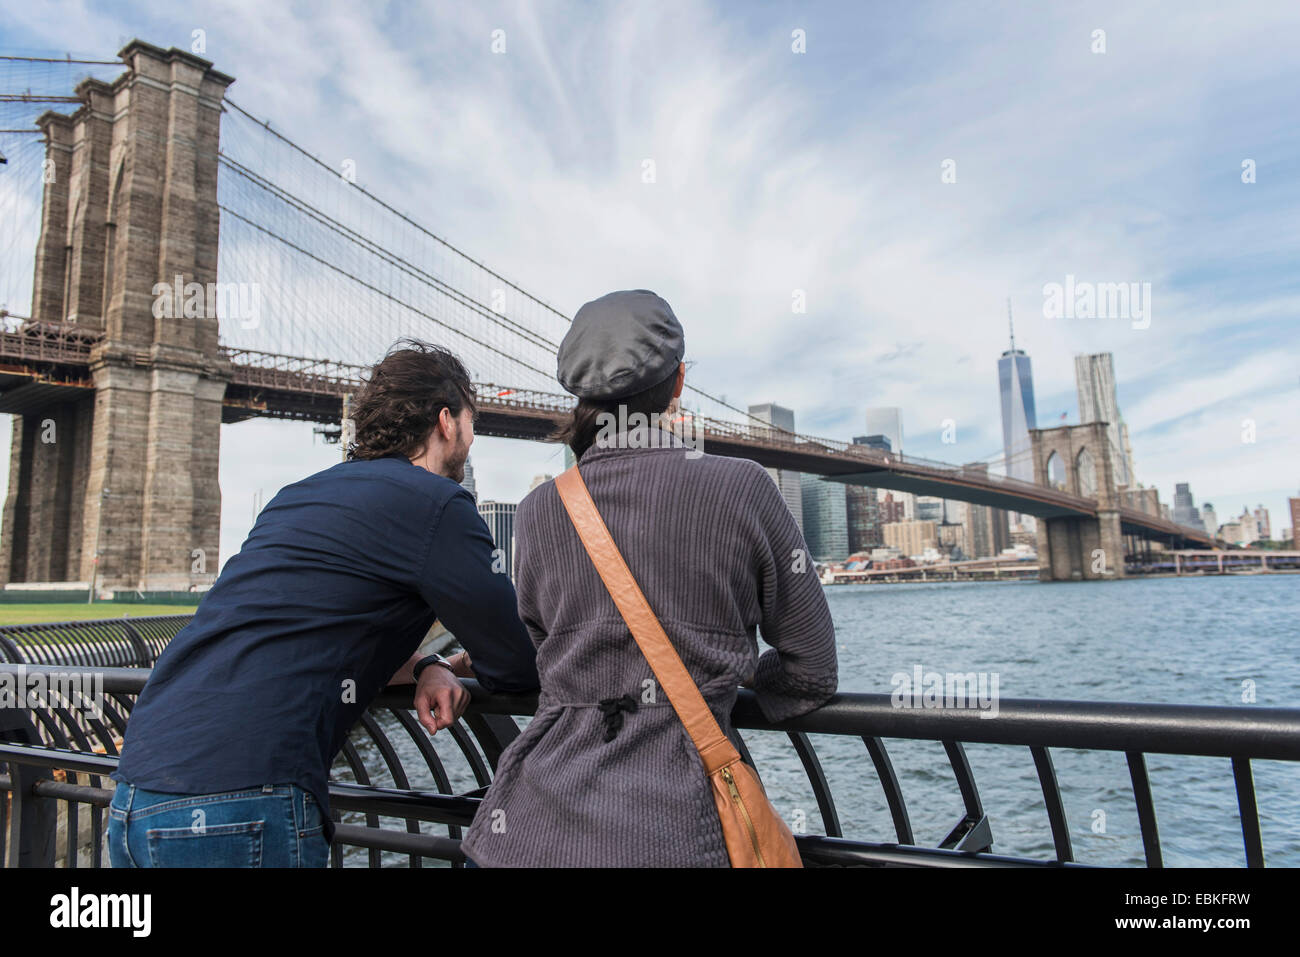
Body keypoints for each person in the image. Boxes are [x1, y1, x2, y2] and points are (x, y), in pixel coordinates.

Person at [108, 340, 539, 868]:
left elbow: (311, 627)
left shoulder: (297, 495)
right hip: (243, 801)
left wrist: (427, 663)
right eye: (473, 424)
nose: (472, 441)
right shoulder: (439, 504)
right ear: (447, 422)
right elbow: (517, 665)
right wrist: (462, 664)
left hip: (136, 793)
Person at [460, 290, 838, 867]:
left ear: (581, 395)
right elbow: (811, 670)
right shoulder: (744, 487)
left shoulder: (537, 511)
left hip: (535, 832)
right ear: (679, 382)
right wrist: (719, 682)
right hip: (679, 831)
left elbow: (548, 655)